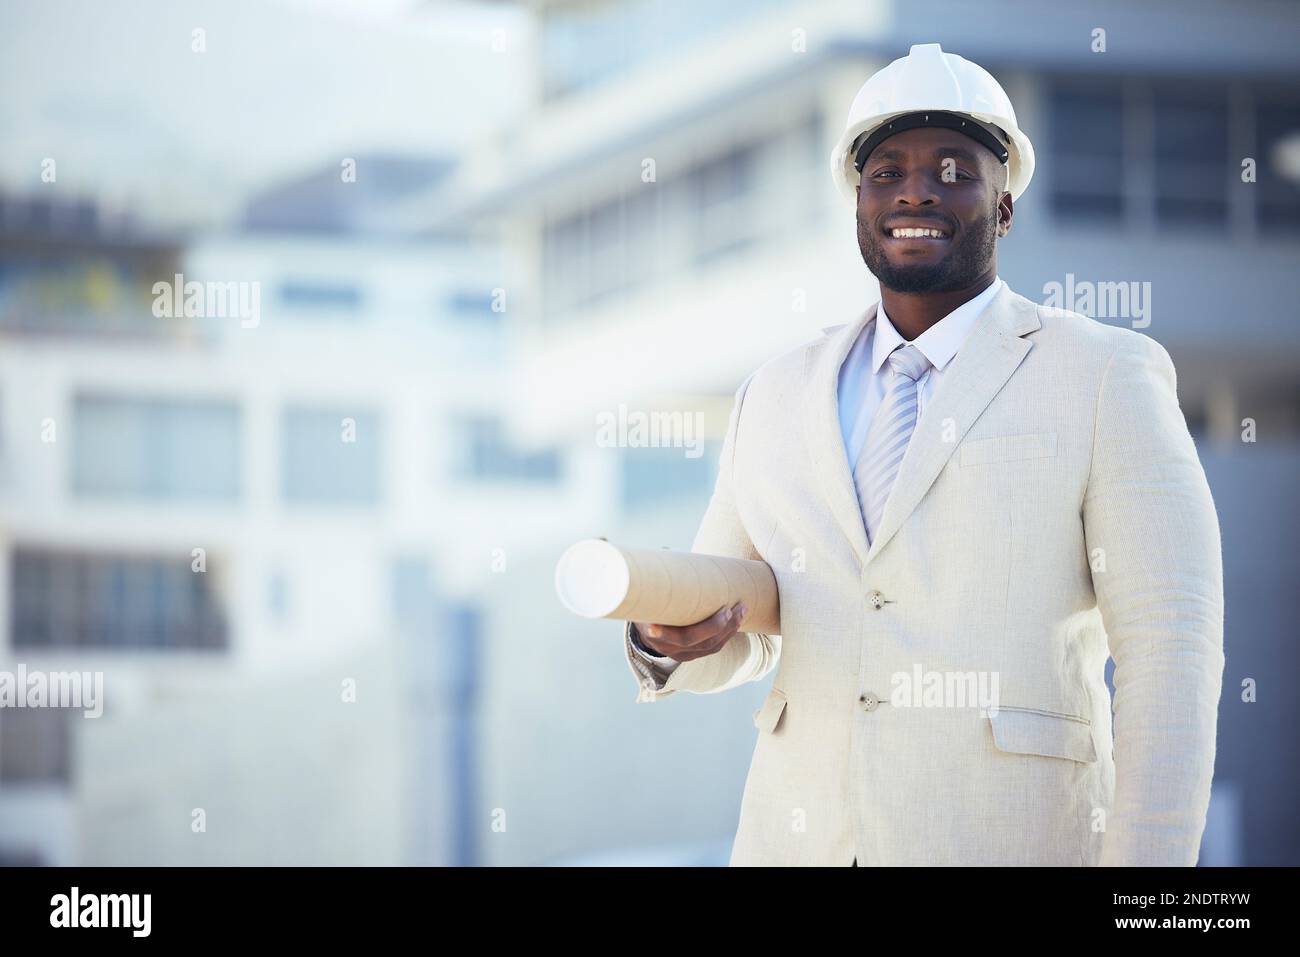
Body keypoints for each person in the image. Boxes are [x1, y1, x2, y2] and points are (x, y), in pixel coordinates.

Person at [623, 44, 1224, 867]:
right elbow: (746, 622)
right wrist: (666, 643)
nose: (916, 189)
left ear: (1004, 207)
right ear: (858, 201)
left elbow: (1172, 644)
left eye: (954, 169)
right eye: (887, 172)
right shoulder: (775, 392)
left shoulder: (1103, 374)